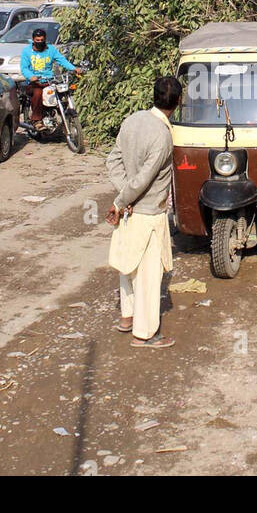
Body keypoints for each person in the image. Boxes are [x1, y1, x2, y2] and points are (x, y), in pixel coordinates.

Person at [106, 76, 182, 349]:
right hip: (148, 212)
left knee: (128, 267)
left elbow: (113, 160)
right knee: (149, 275)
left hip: (130, 210)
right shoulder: (163, 136)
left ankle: (127, 317)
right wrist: (122, 200)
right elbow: (144, 180)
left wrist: (122, 197)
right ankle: (146, 334)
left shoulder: (133, 120)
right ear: (178, 102)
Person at [22, 27, 78, 130]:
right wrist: (31, 76)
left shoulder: (51, 50)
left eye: (42, 40)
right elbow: (24, 68)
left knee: (61, 93)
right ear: (33, 40)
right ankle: (37, 120)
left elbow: (62, 60)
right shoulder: (27, 52)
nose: (39, 42)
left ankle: (64, 116)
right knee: (38, 93)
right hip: (35, 82)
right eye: (37, 40)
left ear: (45, 39)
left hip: (49, 80)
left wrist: (74, 69)